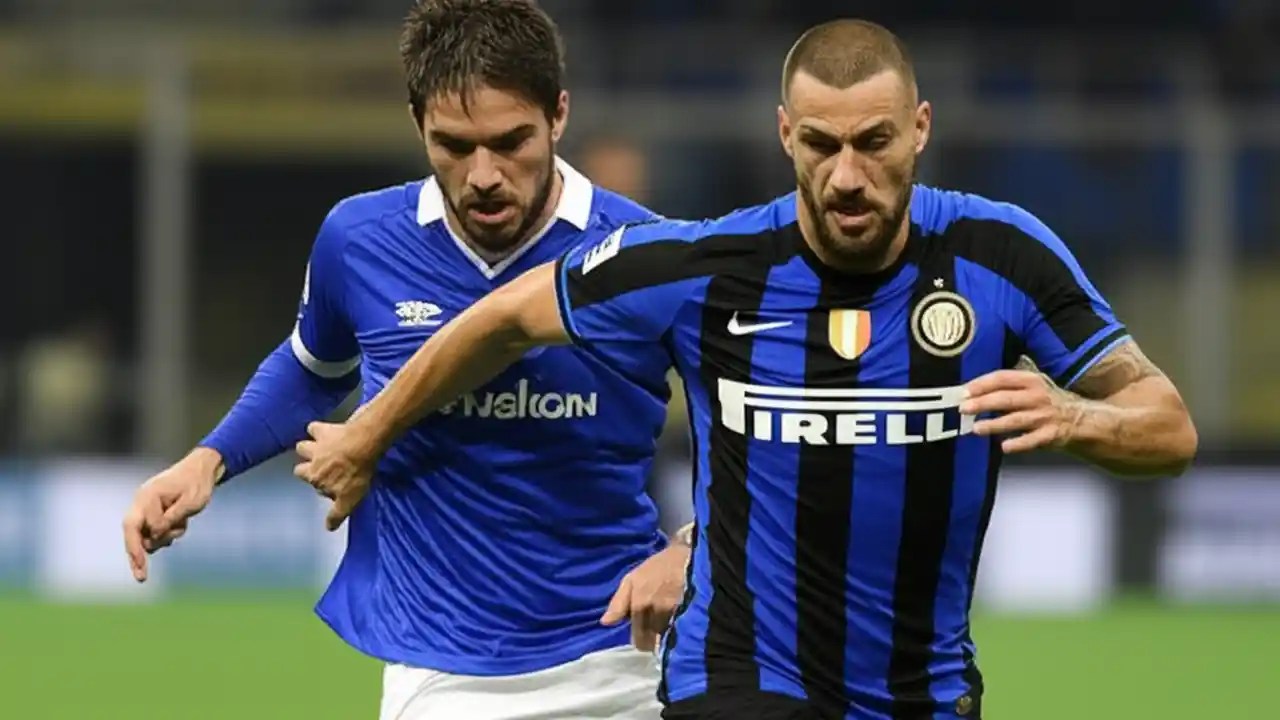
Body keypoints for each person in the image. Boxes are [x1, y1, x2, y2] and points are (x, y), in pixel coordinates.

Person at [293, 18, 1199, 720]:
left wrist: (1077, 415)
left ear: (920, 129)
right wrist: (369, 434)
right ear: (785, 135)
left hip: (922, 687)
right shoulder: (706, 267)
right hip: (738, 679)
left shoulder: (1002, 256)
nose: (848, 175)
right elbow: (501, 317)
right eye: (822, 145)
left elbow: (1168, 427)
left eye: (875, 142)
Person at [120, 2, 691, 718]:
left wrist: (691, 548)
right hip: (437, 670)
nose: (483, 174)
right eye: (454, 145)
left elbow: (747, 422)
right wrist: (207, 461)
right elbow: (311, 369)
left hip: (620, 657)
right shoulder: (359, 240)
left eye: (510, 141)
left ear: (559, 116)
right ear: (418, 123)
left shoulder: (644, 252)